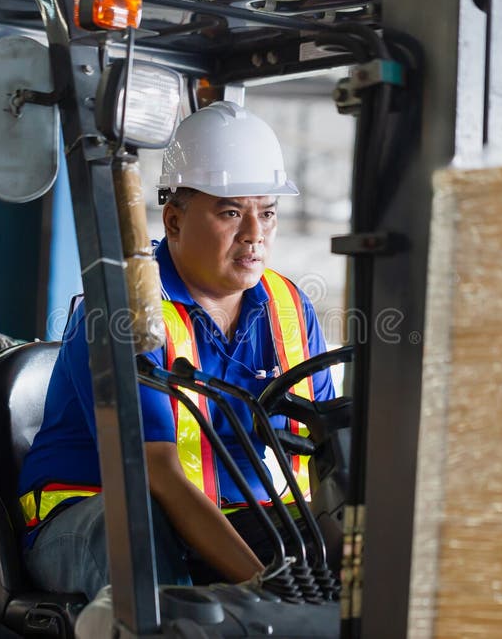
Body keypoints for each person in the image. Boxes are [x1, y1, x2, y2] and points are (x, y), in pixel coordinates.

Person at [17, 100, 335, 600]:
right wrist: (263, 588)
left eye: (267, 214)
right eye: (232, 213)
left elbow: (325, 445)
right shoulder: (123, 310)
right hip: (93, 517)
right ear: (174, 220)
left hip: (233, 518)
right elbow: (156, 472)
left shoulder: (289, 307)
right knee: (140, 525)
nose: (255, 235)